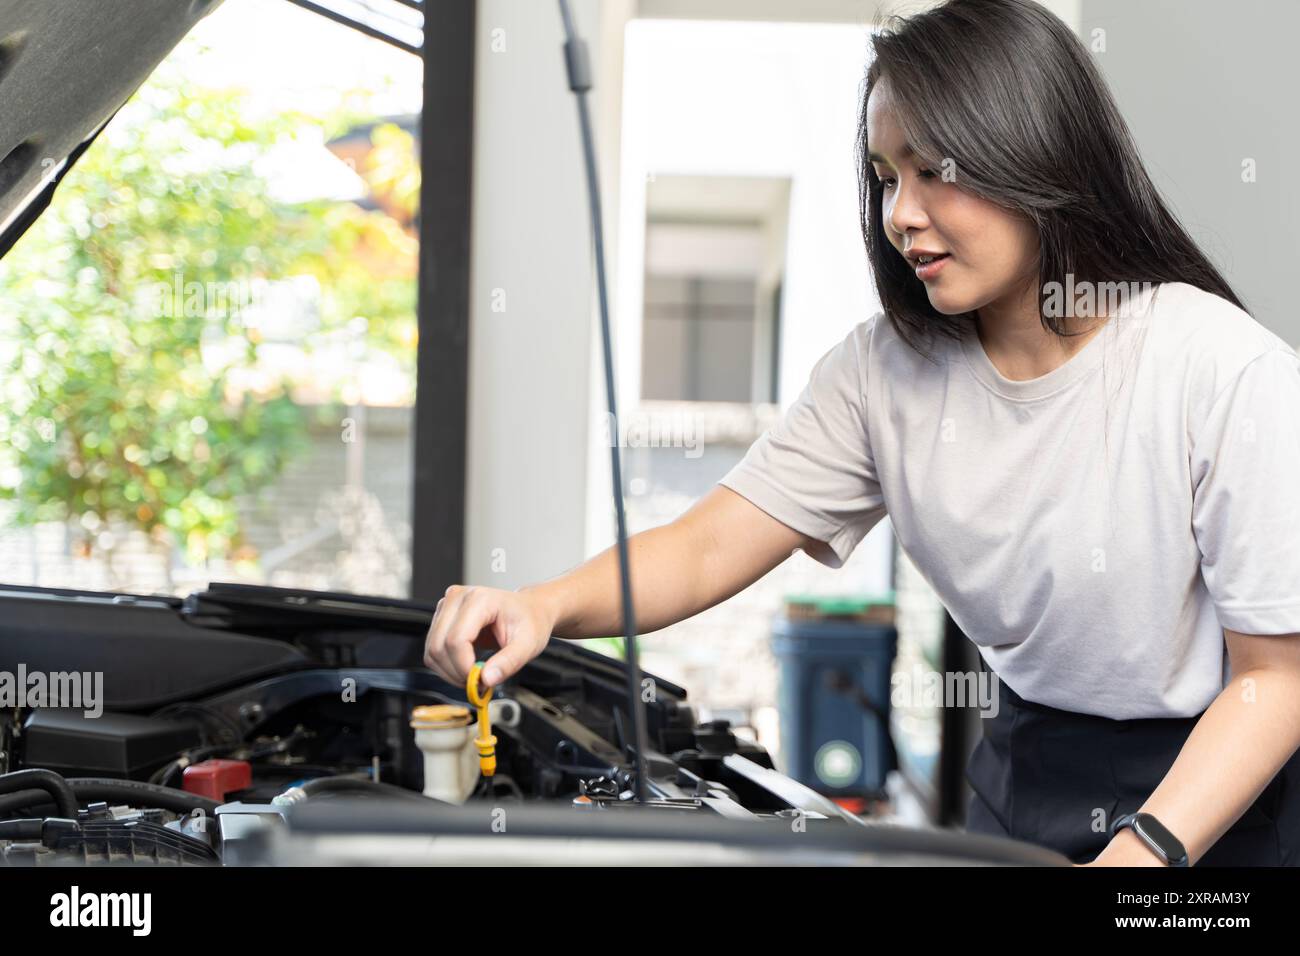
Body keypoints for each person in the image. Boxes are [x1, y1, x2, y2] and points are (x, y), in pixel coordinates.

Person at [422, 0, 1300, 866]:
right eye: (886, 176)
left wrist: (1140, 856)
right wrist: (542, 605)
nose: (900, 214)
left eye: (933, 170)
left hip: (1218, 785)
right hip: (1028, 765)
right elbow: (704, 546)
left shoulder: (1220, 367)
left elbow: (1277, 679)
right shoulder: (884, 370)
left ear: (1037, 152)